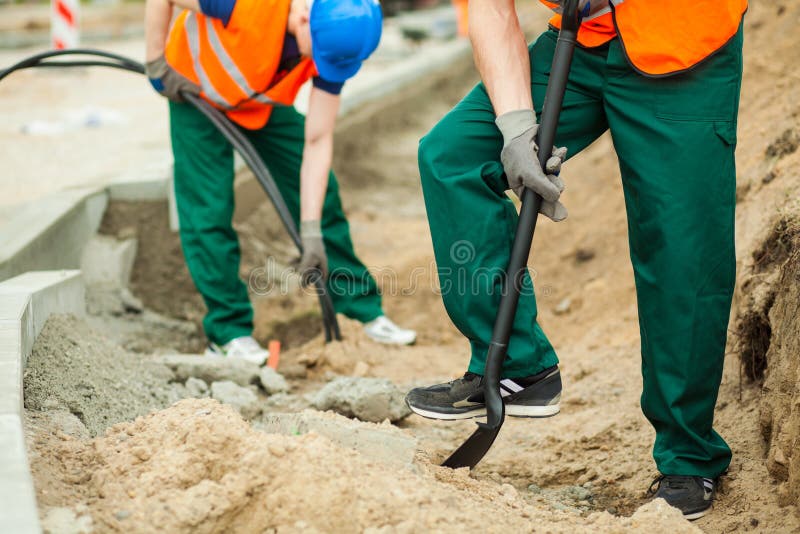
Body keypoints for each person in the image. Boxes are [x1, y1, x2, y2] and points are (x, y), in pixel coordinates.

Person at [405, 0, 747, 519]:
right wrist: (518, 131)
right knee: (452, 155)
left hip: (684, 44)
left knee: (682, 246)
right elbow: (491, 9)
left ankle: (688, 455)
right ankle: (517, 367)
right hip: (584, 40)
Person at [144, 0, 416, 365]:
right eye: (318, 53)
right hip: (194, 87)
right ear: (304, 16)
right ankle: (228, 332)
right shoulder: (243, 5)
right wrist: (155, 62)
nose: (322, 66)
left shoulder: (333, 39)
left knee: (325, 197)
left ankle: (358, 310)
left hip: (259, 101)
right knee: (208, 209)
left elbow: (318, 141)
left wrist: (311, 230)